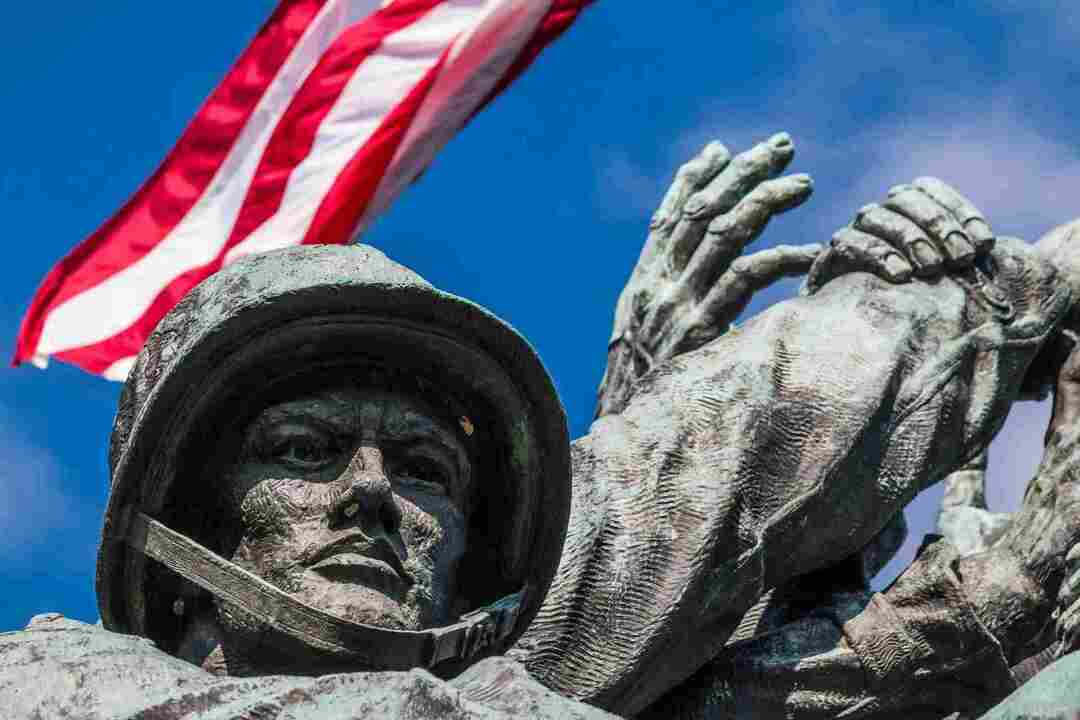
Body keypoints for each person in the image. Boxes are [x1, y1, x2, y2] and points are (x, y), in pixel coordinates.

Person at [3, 134, 1079, 719]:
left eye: (426, 468)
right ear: (187, 525)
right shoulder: (43, 692)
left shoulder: (502, 655)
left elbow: (715, 471)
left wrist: (970, 302)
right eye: (303, 450)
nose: (372, 491)